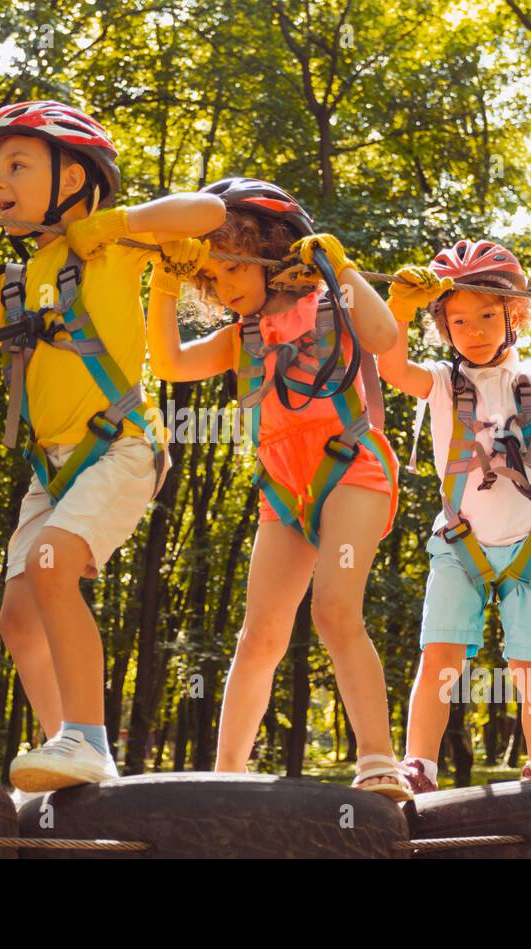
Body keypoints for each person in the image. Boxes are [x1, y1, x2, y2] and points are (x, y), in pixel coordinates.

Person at [0, 100, 225, 790]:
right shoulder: (17, 283)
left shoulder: (108, 246)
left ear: (77, 178)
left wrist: (116, 223)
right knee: (20, 621)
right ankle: (71, 755)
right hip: (50, 472)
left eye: (18, 164)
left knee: (52, 565)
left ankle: (87, 739)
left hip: (122, 445)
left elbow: (206, 214)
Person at [146, 177, 411, 799]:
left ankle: (378, 759)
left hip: (351, 467)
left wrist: (338, 267)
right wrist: (161, 280)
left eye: (231, 268)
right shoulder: (240, 336)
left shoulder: (329, 306)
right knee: (259, 632)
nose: (223, 286)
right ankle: (227, 775)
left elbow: (385, 338)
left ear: (273, 249)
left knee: (334, 610)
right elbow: (169, 362)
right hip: (284, 490)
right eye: (210, 280)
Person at [377, 240, 531, 791]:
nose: (476, 329)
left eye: (489, 314)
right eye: (459, 319)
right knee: (440, 655)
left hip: (529, 546)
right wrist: (400, 307)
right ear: (445, 327)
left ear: (517, 314)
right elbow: (390, 365)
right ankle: (420, 764)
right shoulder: (441, 380)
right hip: (459, 545)